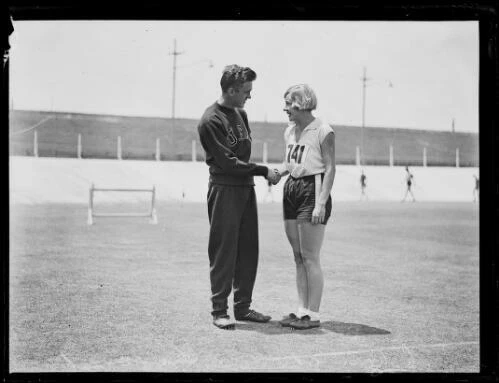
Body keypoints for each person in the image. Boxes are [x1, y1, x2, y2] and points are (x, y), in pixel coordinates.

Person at [197, 64, 279, 330]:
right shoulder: (210, 120)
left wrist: (256, 173)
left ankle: (243, 308)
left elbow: (242, 156)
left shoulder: (241, 115)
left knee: (248, 249)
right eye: (246, 91)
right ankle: (219, 310)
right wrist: (263, 170)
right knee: (224, 251)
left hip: (245, 188)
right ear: (231, 90)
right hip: (224, 189)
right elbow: (228, 162)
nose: (249, 97)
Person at [273, 84, 336, 330]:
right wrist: (277, 172)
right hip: (292, 188)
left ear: (302, 104)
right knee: (298, 256)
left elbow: (330, 168)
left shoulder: (323, 130)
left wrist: (320, 203)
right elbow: (290, 163)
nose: (285, 108)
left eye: (289, 103)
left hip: (313, 189)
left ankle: (313, 314)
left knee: (310, 257)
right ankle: (301, 311)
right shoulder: (289, 131)